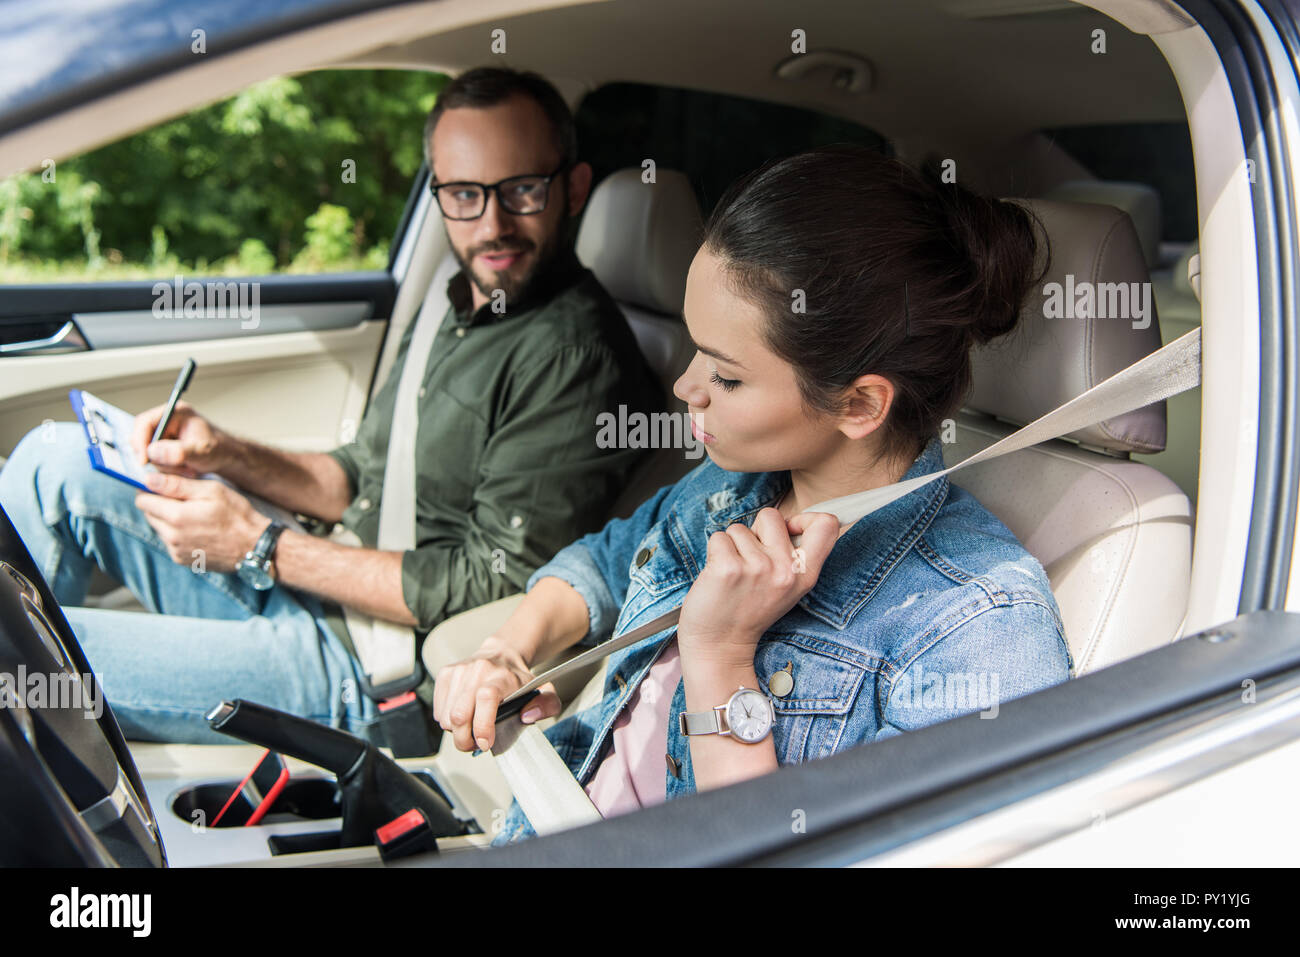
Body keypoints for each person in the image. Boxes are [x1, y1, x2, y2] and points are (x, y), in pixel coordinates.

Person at [431, 145, 1074, 846]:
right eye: (697, 349)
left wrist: (721, 657)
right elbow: (603, 561)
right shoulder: (729, 487)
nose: (686, 386)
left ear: (859, 404)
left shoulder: (978, 627)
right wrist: (509, 651)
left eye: (727, 377)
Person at [0, 67, 661, 743]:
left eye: (522, 190)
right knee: (51, 457)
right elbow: (360, 474)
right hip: (327, 579)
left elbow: (491, 584)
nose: (491, 224)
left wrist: (257, 543)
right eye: (464, 194)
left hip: (371, 670)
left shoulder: (576, 356)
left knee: (18, 650)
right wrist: (228, 453)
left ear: (573, 188)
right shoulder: (455, 298)